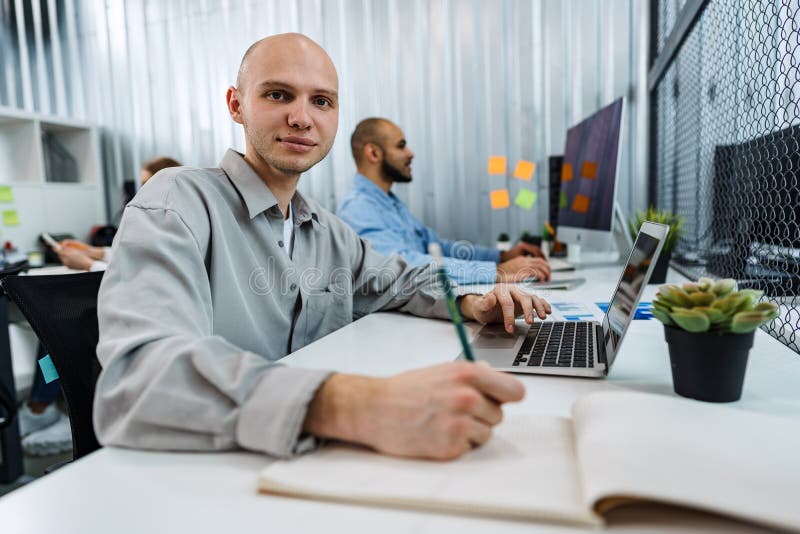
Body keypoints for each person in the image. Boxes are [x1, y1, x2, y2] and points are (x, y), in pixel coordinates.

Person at [94, 33, 551, 460]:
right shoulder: (179, 202)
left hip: (304, 461)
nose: (301, 117)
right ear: (236, 105)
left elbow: (402, 279)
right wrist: (354, 404)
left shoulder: (325, 231)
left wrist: (473, 301)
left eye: (321, 101)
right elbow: (138, 379)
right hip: (208, 475)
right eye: (277, 95)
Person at [337, 118, 551, 285]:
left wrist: (501, 257)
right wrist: (496, 272)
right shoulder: (358, 209)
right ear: (373, 153)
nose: (410, 153)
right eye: (401, 146)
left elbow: (437, 248)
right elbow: (402, 266)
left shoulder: (390, 204)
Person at [52, 156, 182, 271]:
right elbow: (135, 255)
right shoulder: (159, 218)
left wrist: (88, 264)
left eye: (147, 184)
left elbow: (142, 276)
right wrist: (90, 251)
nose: (142, 191)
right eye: (142, 184)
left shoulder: (173, 223)